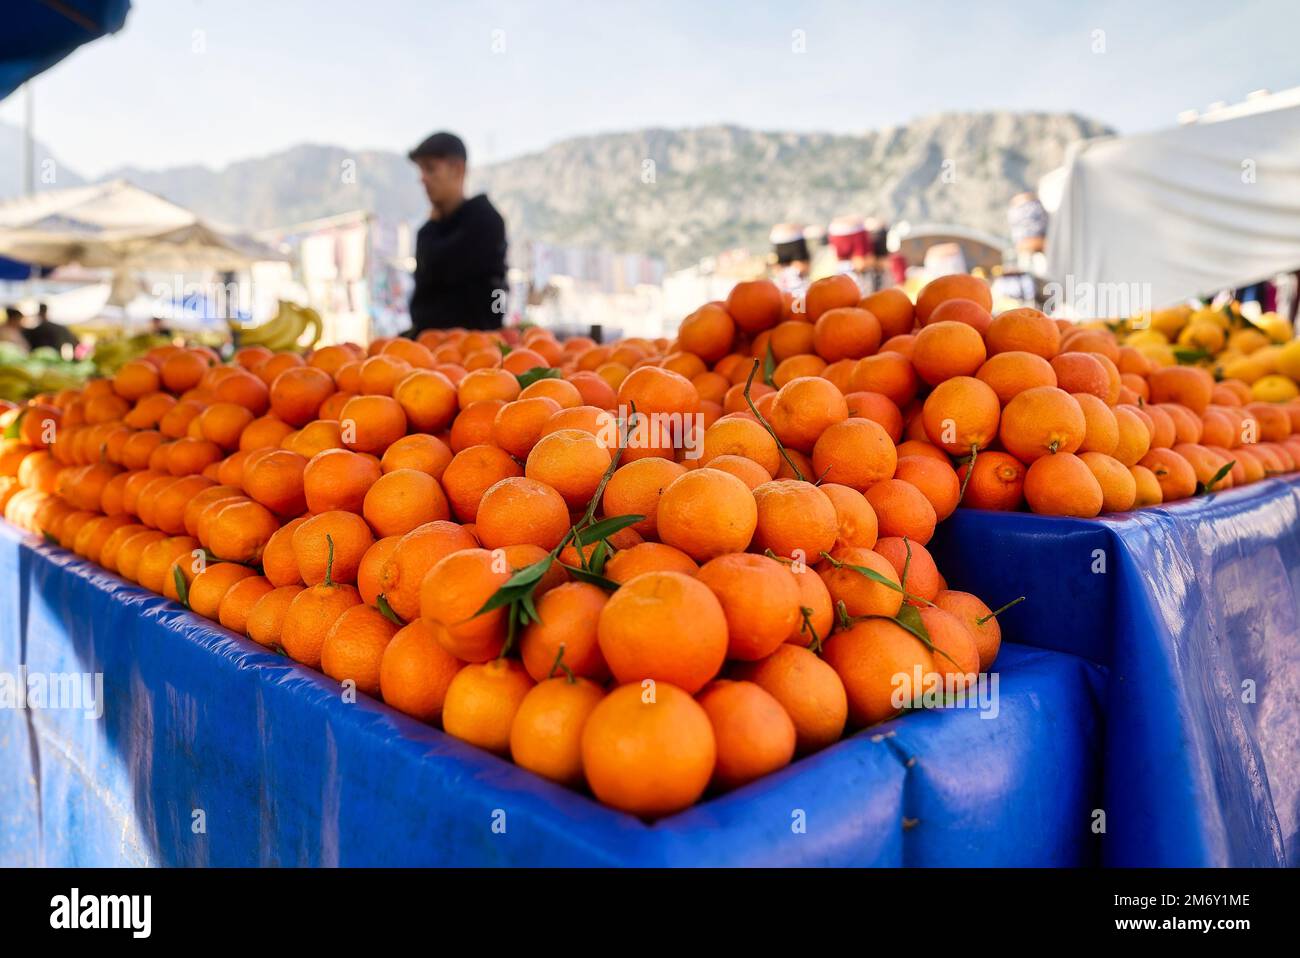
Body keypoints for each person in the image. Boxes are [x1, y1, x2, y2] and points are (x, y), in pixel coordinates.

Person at [407, 131, 508, 333]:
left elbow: (440, 266)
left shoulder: (484, 220)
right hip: (428, 346)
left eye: (430, 169)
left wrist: (432, 230)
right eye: (421, 171)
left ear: (457, 169)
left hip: (476, 348)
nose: (423, 179)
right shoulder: (429, 229)